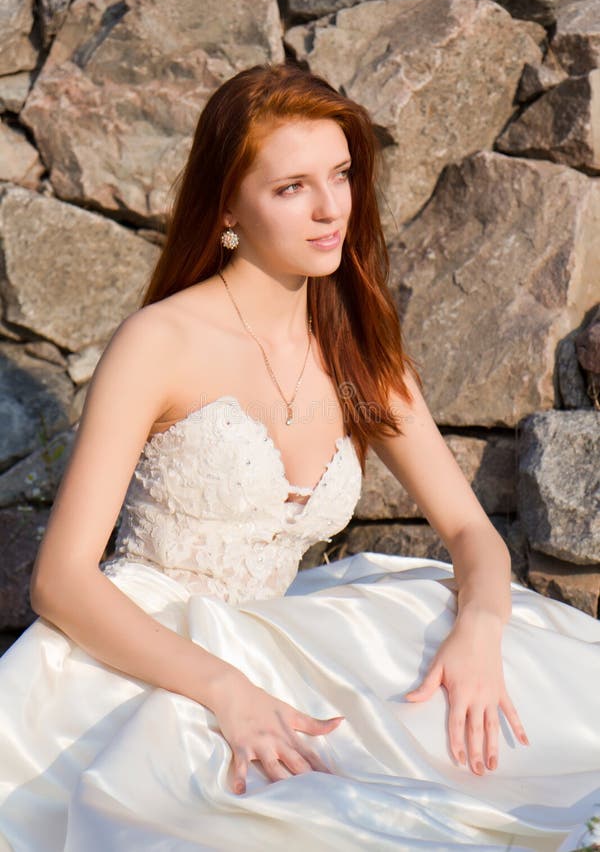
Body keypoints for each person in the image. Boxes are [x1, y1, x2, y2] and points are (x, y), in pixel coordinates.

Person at [0, 61, 598, 852]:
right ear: (226, 207)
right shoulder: (160, 341)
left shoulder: (359, 352)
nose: (330, 209)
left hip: (278, 637)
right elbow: (60, 580)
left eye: (341, 175)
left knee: (524, 709)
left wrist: (480, 631)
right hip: (146, 651)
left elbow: (470, 533)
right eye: (292, 188)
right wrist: (226, 690)